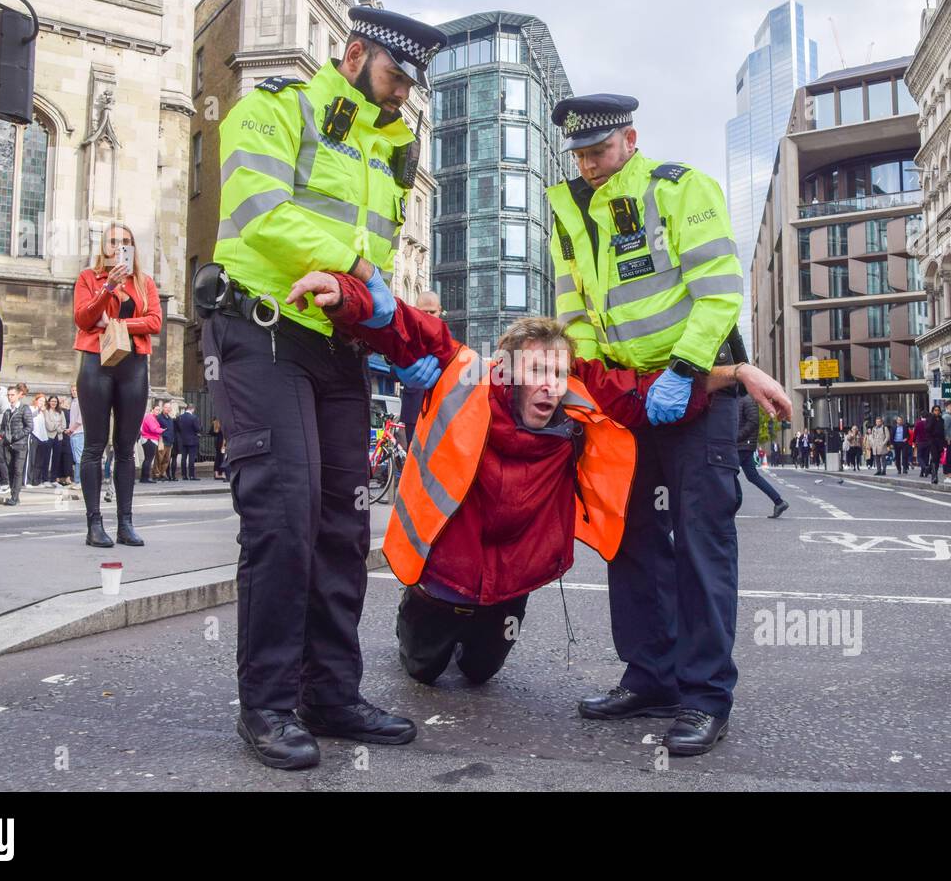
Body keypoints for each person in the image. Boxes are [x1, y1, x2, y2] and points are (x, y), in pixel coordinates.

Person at [295, 272, 786, 688]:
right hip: (442, 584)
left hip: (508, 590)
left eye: (558, 372)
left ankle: (483, 632)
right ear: (507, 372)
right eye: (536, 371)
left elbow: (648, 391)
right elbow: (409, 327)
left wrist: (739, 372)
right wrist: (346, 292)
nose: (550, 385)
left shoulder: (577, 406)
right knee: (424, 671)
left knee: (480, 674)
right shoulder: (468, 382)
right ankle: (415, 618)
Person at [202, 7, 446, 770]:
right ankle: (269, 704)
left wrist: (390, 325)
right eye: (393, 76)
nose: (402, 94)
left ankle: (331, 691)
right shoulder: (275, 107)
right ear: (351, 52)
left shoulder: (391, 148)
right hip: (263, 327)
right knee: (284, 514)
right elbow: (259, 212)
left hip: (339, 343)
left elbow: (373, 250)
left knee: (342, 526)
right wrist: (364, 273)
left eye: (411, 85)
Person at [547, 93, 748, 756]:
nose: (589, 165)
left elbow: (718, 284)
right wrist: (594, 385)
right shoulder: (571, 210)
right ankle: (652, 674)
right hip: (627, 405)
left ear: (630, 138)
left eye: (599, 151)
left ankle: (704, 695)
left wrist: (686, 367)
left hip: (693, 394)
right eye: (579, 154)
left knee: (700, 545)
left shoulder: (679, 189)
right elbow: (573, 309)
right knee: (629, 542)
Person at [73, 221, 162, 547]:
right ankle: (94, 523)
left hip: (134, 365)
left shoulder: (144, 282)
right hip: (96, 363)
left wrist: (119, 323)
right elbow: (83, 318)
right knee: (94, 446)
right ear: (103, 246)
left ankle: (125, 522)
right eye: (113, 241)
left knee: (126, 447)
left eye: (125, 241)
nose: (118, 246)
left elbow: (155, 321)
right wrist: (107, 289)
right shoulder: (88, 278)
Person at [398, 290, 442, 449]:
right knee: (414, 460)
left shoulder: (448, 340)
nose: (429, 315)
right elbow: (392, 368)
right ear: (416, 310)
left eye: (433, 312)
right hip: (414, 411)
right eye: (425, 312)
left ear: (440, 311)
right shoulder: (405, 336)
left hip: (440, 412)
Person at [737, 392, 788, 517]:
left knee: (727, 474)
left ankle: (731, 506)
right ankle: (779, 502)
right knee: (753, 476)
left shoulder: (748, 398)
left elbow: (753, 422)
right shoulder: (740, 397)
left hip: (743, 445)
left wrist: (737, 437)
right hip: (743, 445)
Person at [0, 385, 33, 505]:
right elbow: (2, 428)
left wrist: (16, 436)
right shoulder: (7, 411)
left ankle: (14, 496)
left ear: (18, 395)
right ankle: (14, 496)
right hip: (8, 445)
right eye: (8, 395)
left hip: (20, 445)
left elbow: (29, 427)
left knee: (18, 471)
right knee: (11, 470)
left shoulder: (24, 409)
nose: (10, 397)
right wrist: (4, 435)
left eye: (12, 395)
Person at [139, 402, 163, 485]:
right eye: (157, 410)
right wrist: (162, 430)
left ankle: (144, 477)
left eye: (159, 410)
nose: (158, 411)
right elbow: (153, 429)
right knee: (148, 459)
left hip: (149, 439)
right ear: (152, 410)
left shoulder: (152, 417)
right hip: (149, 439)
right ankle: (145, 478)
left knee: (147, 459)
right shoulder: (150, 417)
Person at [66, 384, 84, 489]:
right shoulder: (73, 402)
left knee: (79, 458)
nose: (74, 392)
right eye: (72, 390)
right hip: (74, 433)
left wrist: (71, 429)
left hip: (79, 432)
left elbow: (80, 420)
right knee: (76, 458)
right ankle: (77, 480)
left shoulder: (81, 402)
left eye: (76, 390)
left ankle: (79, 481)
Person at [176, 403, 201, 480]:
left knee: (183, 458)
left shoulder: (180, 417)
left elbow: (178, 428)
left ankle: (184, 475)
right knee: (191, 458)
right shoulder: (194, 418)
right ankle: (191, 475)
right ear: (192, 409)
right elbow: (198, 429)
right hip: (192, 440)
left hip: (183, 440)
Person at [156, 401, 177, 482]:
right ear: (163, 408)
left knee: (166, 459)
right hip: (162, 441)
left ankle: (162, 473)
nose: (168, 409)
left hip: (170, 441)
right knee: (159, 458)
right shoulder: (159, 417)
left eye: (169, 408)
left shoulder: (170, 418)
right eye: (166, 407)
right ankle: (156, 474)